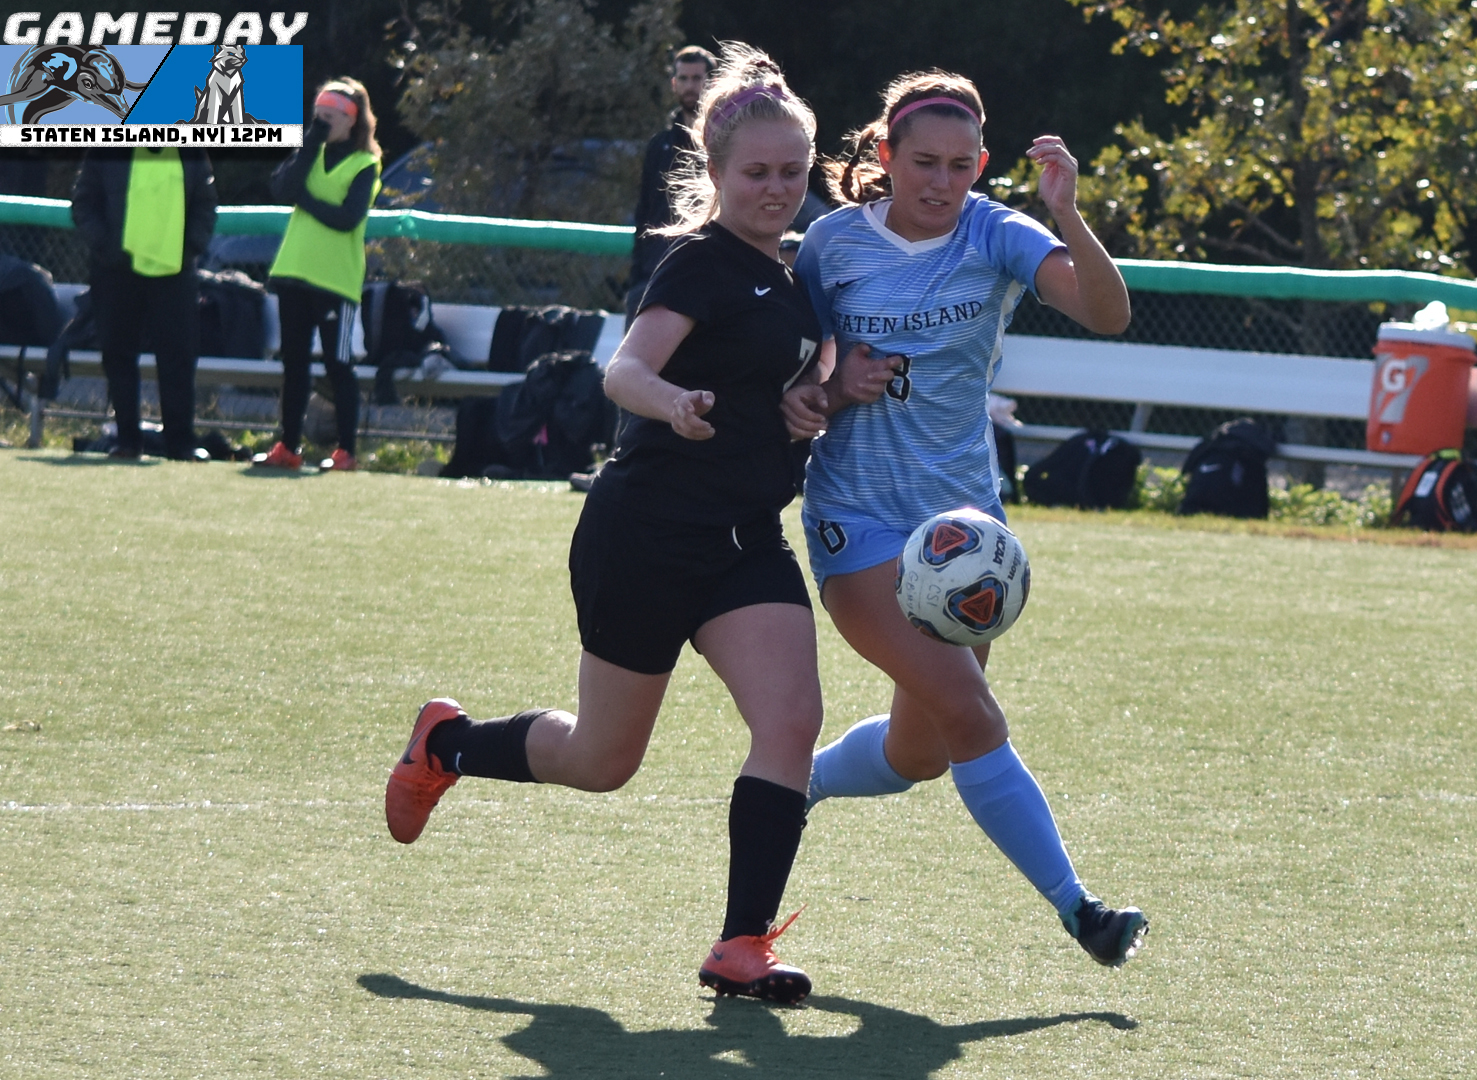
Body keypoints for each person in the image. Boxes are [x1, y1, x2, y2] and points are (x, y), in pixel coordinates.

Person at [384, 44, 827, 1005]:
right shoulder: (698, 264)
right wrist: (670, 403)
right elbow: (621, 372)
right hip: (647, 530)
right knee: (601, 760)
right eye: (758, 172)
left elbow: (781, 392)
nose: (778, 189)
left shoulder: (798, 280)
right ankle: (446, 745)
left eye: (794, 172)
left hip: (746, 538)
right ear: (715, 173)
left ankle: (740, 945)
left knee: (791, 721)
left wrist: (817, 399)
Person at [781, 72, 1148, 967]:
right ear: (884, 158)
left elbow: (1108, 312)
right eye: (922, 163)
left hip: (962, 534)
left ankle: (799, 784)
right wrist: (826, 390)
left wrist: (1067, 212)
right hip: (856, 525)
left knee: (922, 754)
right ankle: (1082, 911)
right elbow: (788, 380)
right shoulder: (829, 246)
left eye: (959, 165)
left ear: (982, 165)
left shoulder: (997, 231)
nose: (940, 182)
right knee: (973, 713)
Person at [253, 78, 383, 472]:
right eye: (317, 117)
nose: (321, 124)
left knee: (337, 365)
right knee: (293, 363)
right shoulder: (309, 151)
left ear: (351, 121)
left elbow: (346, 217)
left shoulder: (365, 164)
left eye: (330, 118)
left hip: (335, 280)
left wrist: (305, 201)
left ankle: (346, 450)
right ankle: (288, 447)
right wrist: (310, 145)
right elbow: (280, 187)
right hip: (294, 271)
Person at [69, 146, 217, 460]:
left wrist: (190, 248)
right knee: (118, 355)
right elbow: (83, 201)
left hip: (174, 274)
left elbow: (205, 203)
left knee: (177, 357)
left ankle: (181, 444)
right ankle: (127, 440)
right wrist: (106, 247)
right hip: (116, 272)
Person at [626, 45, 717, 325]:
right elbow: (644, 213)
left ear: (711, 82)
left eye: (698, 78)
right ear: (674, 83)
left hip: (706, 272)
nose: (691, 86)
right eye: (684, 78)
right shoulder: (659, 146)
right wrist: (638, 274)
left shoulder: (723, 144)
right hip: (654, 272)